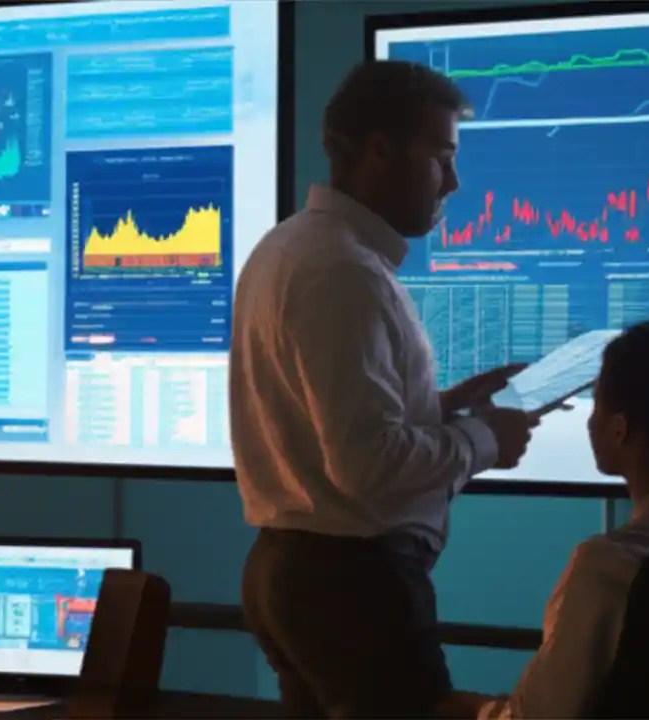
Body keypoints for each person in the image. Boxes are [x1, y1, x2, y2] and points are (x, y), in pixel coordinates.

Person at [230, 60, 540, 718]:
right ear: (379, 150)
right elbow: (366, 466)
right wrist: (487, 438)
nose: (453, 181)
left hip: (293, 571)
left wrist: (446, 405)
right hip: (351, 583)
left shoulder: (288, 248)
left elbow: (319, 422)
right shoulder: (345, 272)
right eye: (440, 156)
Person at [454, 319, 649, 719]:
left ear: (619, 429)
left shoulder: (609, 566)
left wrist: (466, 708)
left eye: (595, 403)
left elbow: (541, 716)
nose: (588, 419)